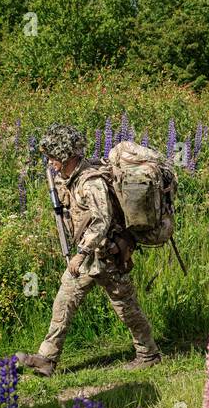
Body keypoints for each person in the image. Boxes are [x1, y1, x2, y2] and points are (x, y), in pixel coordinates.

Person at [16, 123, 161, 376]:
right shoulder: (65, 179)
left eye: (53, 157)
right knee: (64, 302)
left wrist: (81, 252)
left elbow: (102, 220)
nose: (50, 162)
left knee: (127, 309)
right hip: (88, 259)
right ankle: (47, 358)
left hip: (107, 256)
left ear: (67, 155)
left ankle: (148, 354)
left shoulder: (90, 182)